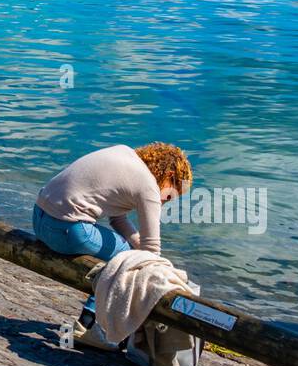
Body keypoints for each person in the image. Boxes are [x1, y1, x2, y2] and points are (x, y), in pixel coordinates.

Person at [33, 142, 192, 341]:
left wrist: (138, 247)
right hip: (65, 230)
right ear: (169, 177)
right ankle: (89, 326)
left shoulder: (124, 154)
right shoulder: (148, 186)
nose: (169, 199)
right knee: (125, 261)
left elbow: (118, 219)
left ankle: (92, 323)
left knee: (128, 253)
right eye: (172, 192)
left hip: (39, 219)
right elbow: (152, 250)